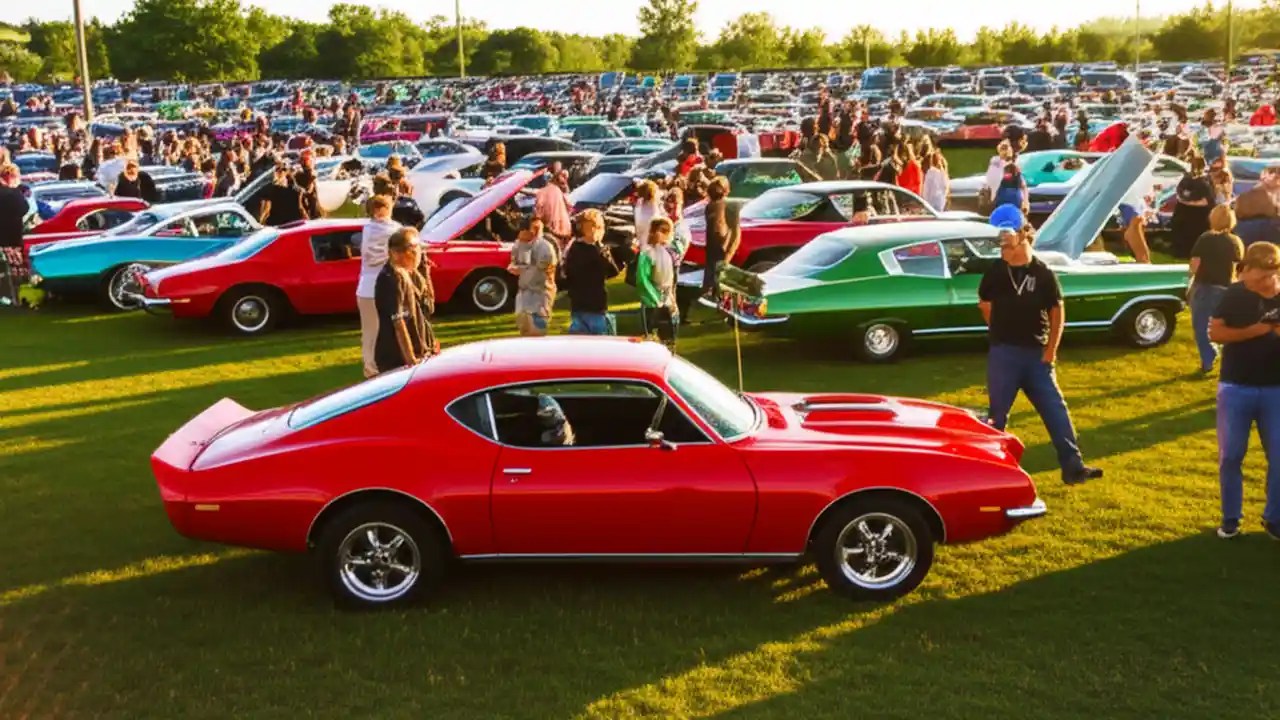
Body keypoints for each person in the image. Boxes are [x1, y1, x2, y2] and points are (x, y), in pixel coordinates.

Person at [978, 217, 1103, 486]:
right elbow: (984, 303)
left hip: (1036, 355)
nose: (1004, 251)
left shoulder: (1043, 274)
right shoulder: (997, 271)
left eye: (1009, 246)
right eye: (1002, 247)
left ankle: (1073, 466)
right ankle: (988, 470)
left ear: (1024, 240)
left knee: (1055, 409)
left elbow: (1057, 312)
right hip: (1004, 354)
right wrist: (998, 328)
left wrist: (1051, 350)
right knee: (997, 414)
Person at [1207, 241, 1280, 539]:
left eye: (1261, 277)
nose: (1250, 280)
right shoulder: (1235, 295)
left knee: (1278, 456)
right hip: (1235, 386)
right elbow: (1215, 332)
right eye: (1249, 273)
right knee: (1231, 455)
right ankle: (1231, 518)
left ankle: (1274, 519)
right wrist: (1261, 330)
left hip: (1276, 389)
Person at [1190, 205, 1246, 374]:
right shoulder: (1236, 241)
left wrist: (1191, 281)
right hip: (1227, 287)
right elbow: (1238, 265)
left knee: (1201, 326)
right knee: (1227, 326)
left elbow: (1195, 264)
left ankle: (1208, 360)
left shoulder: (1206, 238)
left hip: (1206, 287)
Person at [372, 228, 431, 374]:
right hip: (398, 359)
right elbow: (398, 321)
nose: (421, 255)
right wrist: (411, 360)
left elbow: (429, 307)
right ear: (407, 252)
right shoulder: (391, 278)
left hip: (419, 352)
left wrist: (426, 273)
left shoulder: (410, 274)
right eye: (418, 250)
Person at [357, 194, 402, 378]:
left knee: (369, 331)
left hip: (365, 287)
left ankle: (370, 368)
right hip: (383, 285)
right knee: (388, 328)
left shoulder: (367, 229)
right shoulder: (394, 229)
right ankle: (381, 367)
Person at [562, 209, 621, 335]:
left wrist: (603, 251)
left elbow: (612, 271)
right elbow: (569, 272)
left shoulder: (595, 250)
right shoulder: (578, 249)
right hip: (585, 304)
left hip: (592, 303)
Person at [508, 216, 556, 337]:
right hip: (524, 293)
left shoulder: (545, 247)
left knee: (537, 332)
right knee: (524, 330)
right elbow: (515, 261)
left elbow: (542, 268)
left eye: (538, 228)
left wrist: (522, 269)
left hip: (540, 294)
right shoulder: (519, 245)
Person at [637, 217, 678, 350]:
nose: (663, 234)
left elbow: (671, 278)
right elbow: (642, 279)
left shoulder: (669, 252)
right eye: (660, 231)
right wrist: (654, 298)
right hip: (652, 300)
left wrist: (671, 298)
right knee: (651, 338)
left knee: (668, 337)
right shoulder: (647, 254)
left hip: (666, 299)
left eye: (667, 231)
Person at [1170, 154, 1216, 257]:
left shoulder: (1205, 181)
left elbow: (1206, 201)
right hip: (1185, 213)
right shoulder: (1186, 179)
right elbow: (1180, 193)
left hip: (1199, 215)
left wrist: (1187, 202)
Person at [702, 176, 730, 298]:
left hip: (712, 240)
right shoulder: (724, 205)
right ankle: (718, 293)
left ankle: (710, 291)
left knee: (711, 267)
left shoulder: (710, 206)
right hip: (721, 240)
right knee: (720, 268)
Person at [534, 164, 573, 246]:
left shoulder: (543, 193)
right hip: (565, 232)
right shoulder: (560, 192)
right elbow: (570, 208)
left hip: (552, 234)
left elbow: (538, 215)